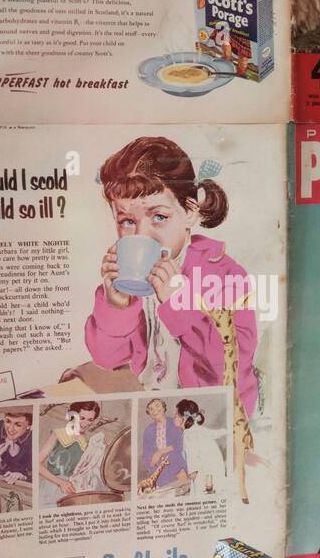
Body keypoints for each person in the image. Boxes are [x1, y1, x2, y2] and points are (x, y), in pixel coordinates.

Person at [85, 136, 259, 421]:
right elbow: (107, 358)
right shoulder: (131, 275)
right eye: (128, 221)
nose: (141, 235)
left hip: (215, 414)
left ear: (190, 213)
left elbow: (229, 363)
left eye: (159, 217)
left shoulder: (224, 273)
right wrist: (116, 306)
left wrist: (179, 303)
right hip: (154, 407)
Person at [38, 401, 100, 505]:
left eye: (90, 420)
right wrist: (60, 482)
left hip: (72, 493)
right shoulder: (58, 434)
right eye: (82, 418)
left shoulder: (88, 445)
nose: (85, 424)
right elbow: (36, 464)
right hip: (50, 487)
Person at [174, 397, 226, 495]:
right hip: (214, 473)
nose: (174, 417)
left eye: (176, 414)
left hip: (204, 476)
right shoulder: (198, 429)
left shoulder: (189, 434)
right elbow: (215, 433)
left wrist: (191, 473)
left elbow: (192, 457)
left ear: (183, 417)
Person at [140, 397, 187, 491]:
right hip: (159, 471)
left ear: (164, 408)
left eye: (157, 406)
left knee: (183, 491)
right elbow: (146, 455)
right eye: (151, 409)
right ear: (149, 414)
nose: (155, 410)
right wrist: (154, 465)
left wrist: (160, 452)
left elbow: (180, 444)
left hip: (177, 467)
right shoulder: (148, 431)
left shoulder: (174, 423)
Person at [0, 408, 33, 483]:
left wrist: (22, 476)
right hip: (1, 477)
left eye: (18, 425)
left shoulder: (32, 440)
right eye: (8, 421)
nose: (10, 429)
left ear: (29, 426)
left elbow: (35, 473)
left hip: (22, 483)